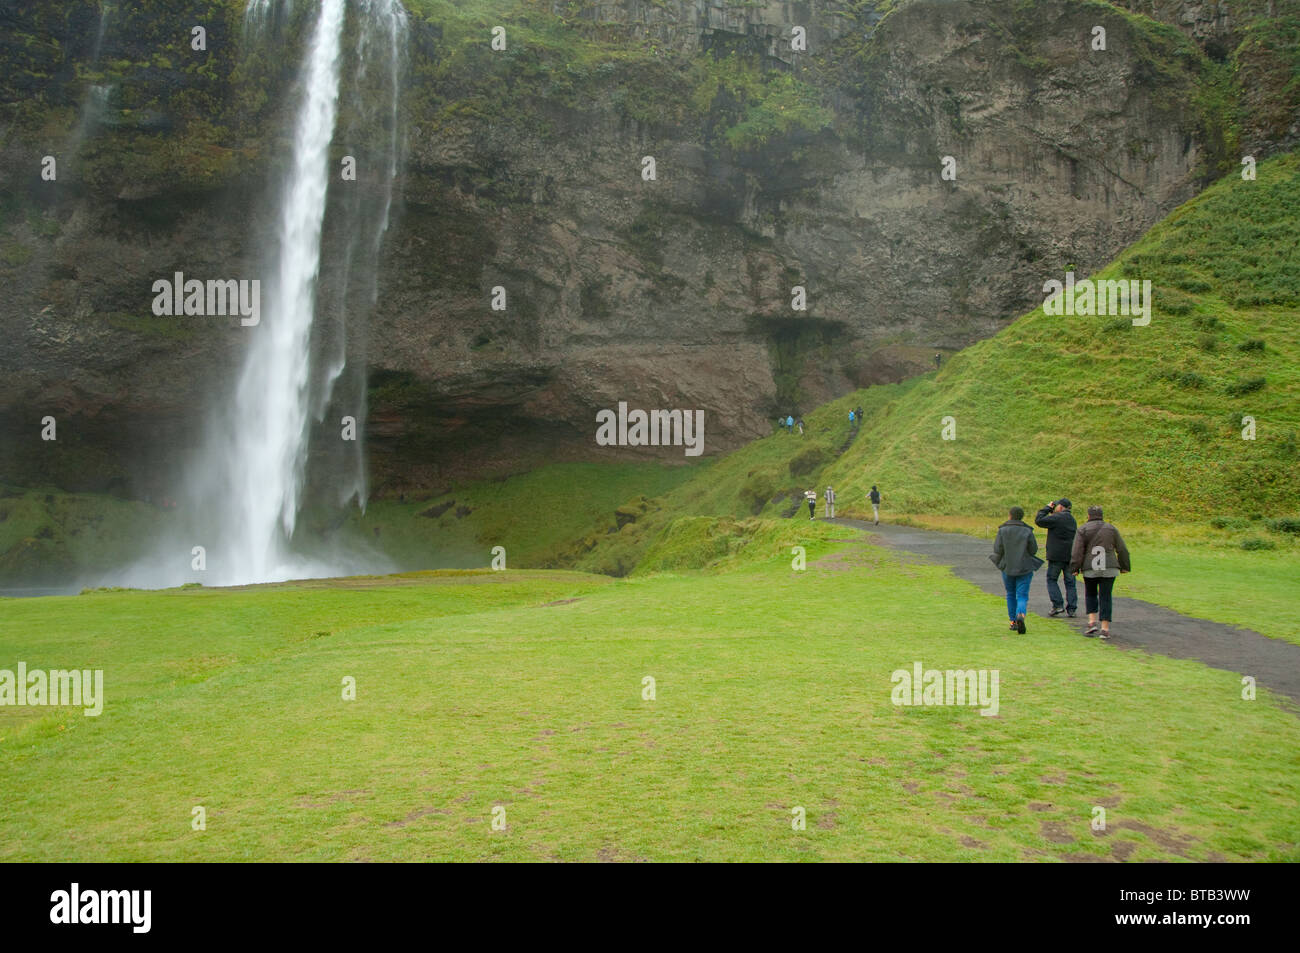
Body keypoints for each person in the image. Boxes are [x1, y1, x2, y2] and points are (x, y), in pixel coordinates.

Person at [1069, 504, 1131, 639]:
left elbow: (1077, 551)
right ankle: (1105, 629)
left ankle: (1091, 622)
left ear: (1088, 515)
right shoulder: (1111, 528)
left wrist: (1074, 568)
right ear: (1102, 515)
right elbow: (1122, 549)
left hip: (1090, 568)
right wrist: (1124, 566)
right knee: (1106, 596)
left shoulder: (1083, 529)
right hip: (1109, 568)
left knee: (1090, 593)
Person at [991, 506, 1043, 633]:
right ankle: (1021, 614)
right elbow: (1033, 549)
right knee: (1022, 595)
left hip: (1007, 566)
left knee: (1010, 594)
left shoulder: (1003, 530)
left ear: (1010, 515)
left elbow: (997, 549)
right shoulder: (1027, 530)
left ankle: (1013, 621)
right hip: (1024, 566)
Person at [1035, 498, 1078, 617]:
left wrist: (1047, 508)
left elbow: (1039, 520)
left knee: (1052, 579)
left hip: (1056, 556)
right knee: (1070, 582)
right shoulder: (1072, 520)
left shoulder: (1057, 518)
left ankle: (1058, 605)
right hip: (1070, 555)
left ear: (1060, 507)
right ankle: (1072, 608)